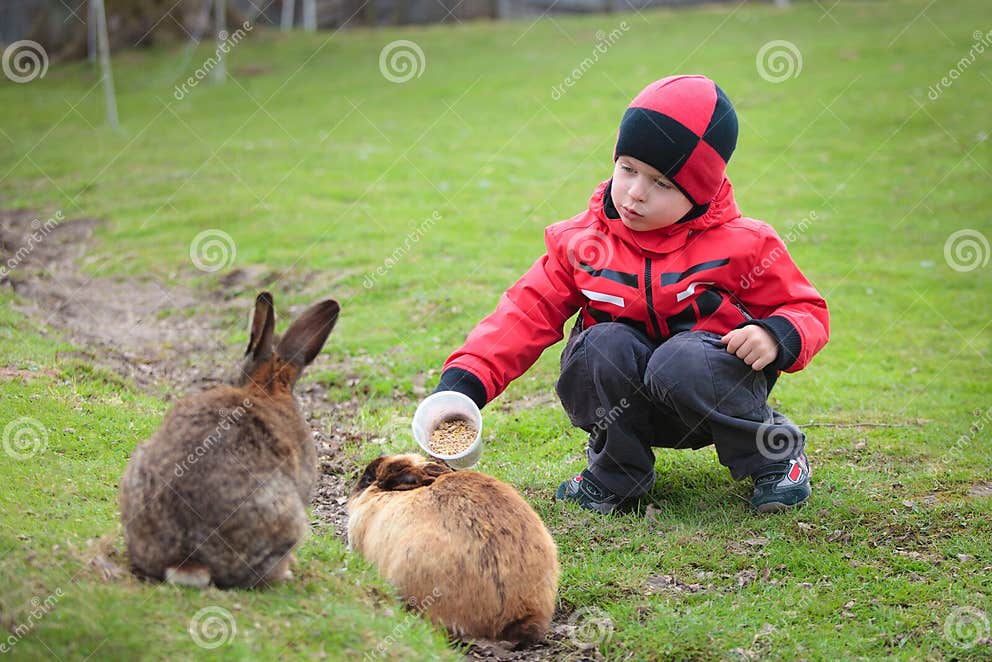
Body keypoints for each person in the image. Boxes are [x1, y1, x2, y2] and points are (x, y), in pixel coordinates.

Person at [429, 74, 829, 514]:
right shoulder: (582, 244)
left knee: (682, 359)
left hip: (708, 395)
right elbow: (525, 313)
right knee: (602, 343)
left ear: (700, 192)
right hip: (624, 403)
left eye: (662, 183)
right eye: (628, 169)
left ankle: (776, 459)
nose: (635, 194)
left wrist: (774, 335)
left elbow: (805, 307)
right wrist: (465, 383)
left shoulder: (745, 244)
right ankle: (618, 474)